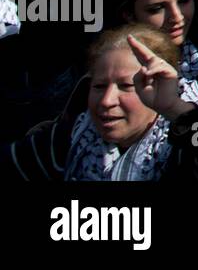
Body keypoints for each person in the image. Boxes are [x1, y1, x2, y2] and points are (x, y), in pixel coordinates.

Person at [3, 25, 181, 181]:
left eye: (126, 86)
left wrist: (175, 109)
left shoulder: (183, 149)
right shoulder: (76, 134)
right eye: (99, 86)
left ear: (160, 88)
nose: (106, 100)